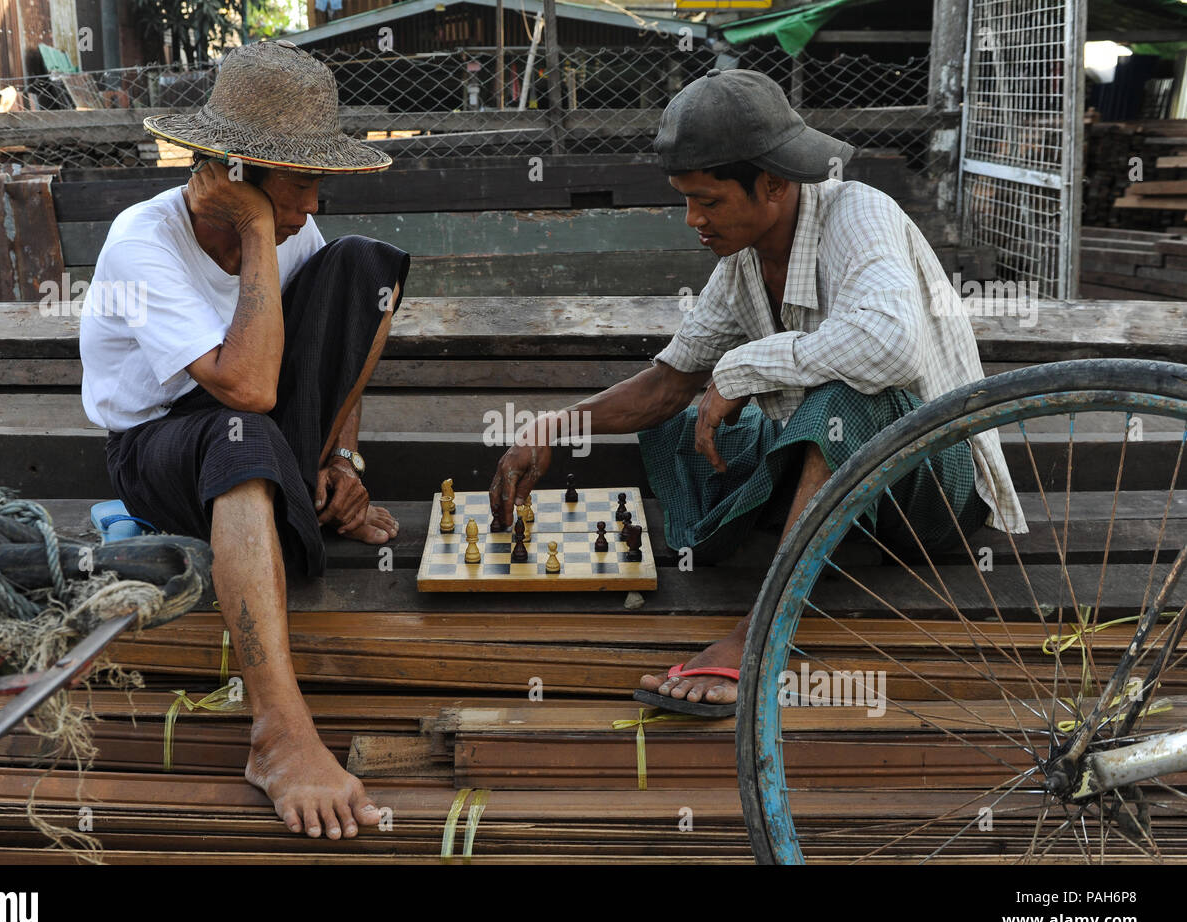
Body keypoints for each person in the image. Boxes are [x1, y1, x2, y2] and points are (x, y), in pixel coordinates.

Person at [488, 68, 1028, 716]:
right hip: (856, 481)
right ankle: (800, 534)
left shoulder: (857, 214)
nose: (693, 219)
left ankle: (764, 629)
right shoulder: (742, 262)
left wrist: (743, 368)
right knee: (677, 429)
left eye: (708, 200)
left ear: (772, 184)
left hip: (937, 490)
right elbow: (669, 382)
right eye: (686, 199)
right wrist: (551, 427)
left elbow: (892, 346)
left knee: (838, 402)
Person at [79, 41, 410, 837]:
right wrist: (260, 230)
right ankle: (277, 732)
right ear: (234, 171)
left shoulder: (299, 229)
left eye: (315, 183)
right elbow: (251, 390)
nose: (312, 206)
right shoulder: (142, 244)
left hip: (252, 428)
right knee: (239, 432)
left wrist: (338, 456)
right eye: (298, 184)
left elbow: (330, 338)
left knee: (366, 266)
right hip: (160, 446)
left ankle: (302, 497)